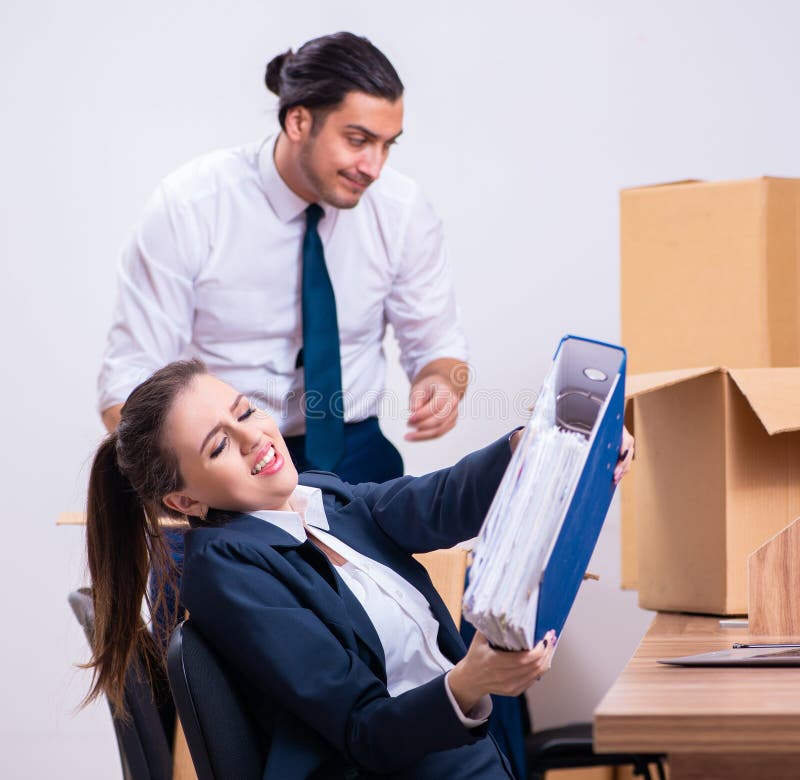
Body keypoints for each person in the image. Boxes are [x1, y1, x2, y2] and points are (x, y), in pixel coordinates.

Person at [85, 360, 558, 779]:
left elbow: (436, 502)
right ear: (184, 500)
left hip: (465, 754)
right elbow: (363, 730)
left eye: (246, 412)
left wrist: (533, 447)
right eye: (219, 447)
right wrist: (469, 682)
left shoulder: (319, 496)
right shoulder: (225, 569)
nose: (255, 438)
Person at [97, 31, 470, 483]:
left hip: (354, 451)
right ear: (297, 123)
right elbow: (130, 379)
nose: (374, 166)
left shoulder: (402, 209)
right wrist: (182, 484)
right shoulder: (190, 206)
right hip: (230, 453)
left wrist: (441, 383)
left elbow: (439, 348)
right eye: (357, 140)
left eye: (388, 145)